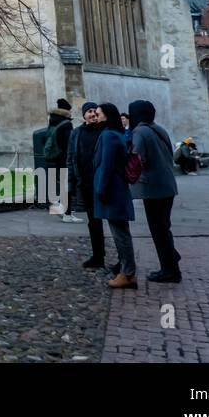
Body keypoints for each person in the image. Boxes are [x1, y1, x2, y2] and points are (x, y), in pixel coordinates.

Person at [129, 100, 181, 283]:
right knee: (164, 227)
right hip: (167, 185)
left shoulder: (139, 132)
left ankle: (169, 270)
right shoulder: (160, 129)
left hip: (153, 187)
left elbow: (137, 158)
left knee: (158, 229)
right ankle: (171, 259)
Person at [94, 103, 137, 289]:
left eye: (98, 114)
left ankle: (127, 273)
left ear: (107, 116)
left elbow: (107, 165)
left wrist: (101, 189)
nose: (96, 117)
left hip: (112, 189)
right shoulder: (115, 134)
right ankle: (125, 270)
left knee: (120, 234)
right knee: (120, 232)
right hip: (116, 188)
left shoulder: (109, 135)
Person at [68, 101, 108, 269]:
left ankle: (123, 259)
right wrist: (71, 183)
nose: (92, 114)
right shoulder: (76, 133)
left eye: (95, 111)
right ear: (84, 115)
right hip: (86, 183)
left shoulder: (105, 131)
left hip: (104, 183)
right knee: (93, 221)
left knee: (114, 221)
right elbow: (71, 158)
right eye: (89, 112)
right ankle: (98, 256)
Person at [44, 98, 79, 220]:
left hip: (55, 159)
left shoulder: (52, 121)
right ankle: (66, 214)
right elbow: (69, 144)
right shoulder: (66, 124)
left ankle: (61, 209)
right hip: (65, 159)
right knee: (67, 186)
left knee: (63, 185)